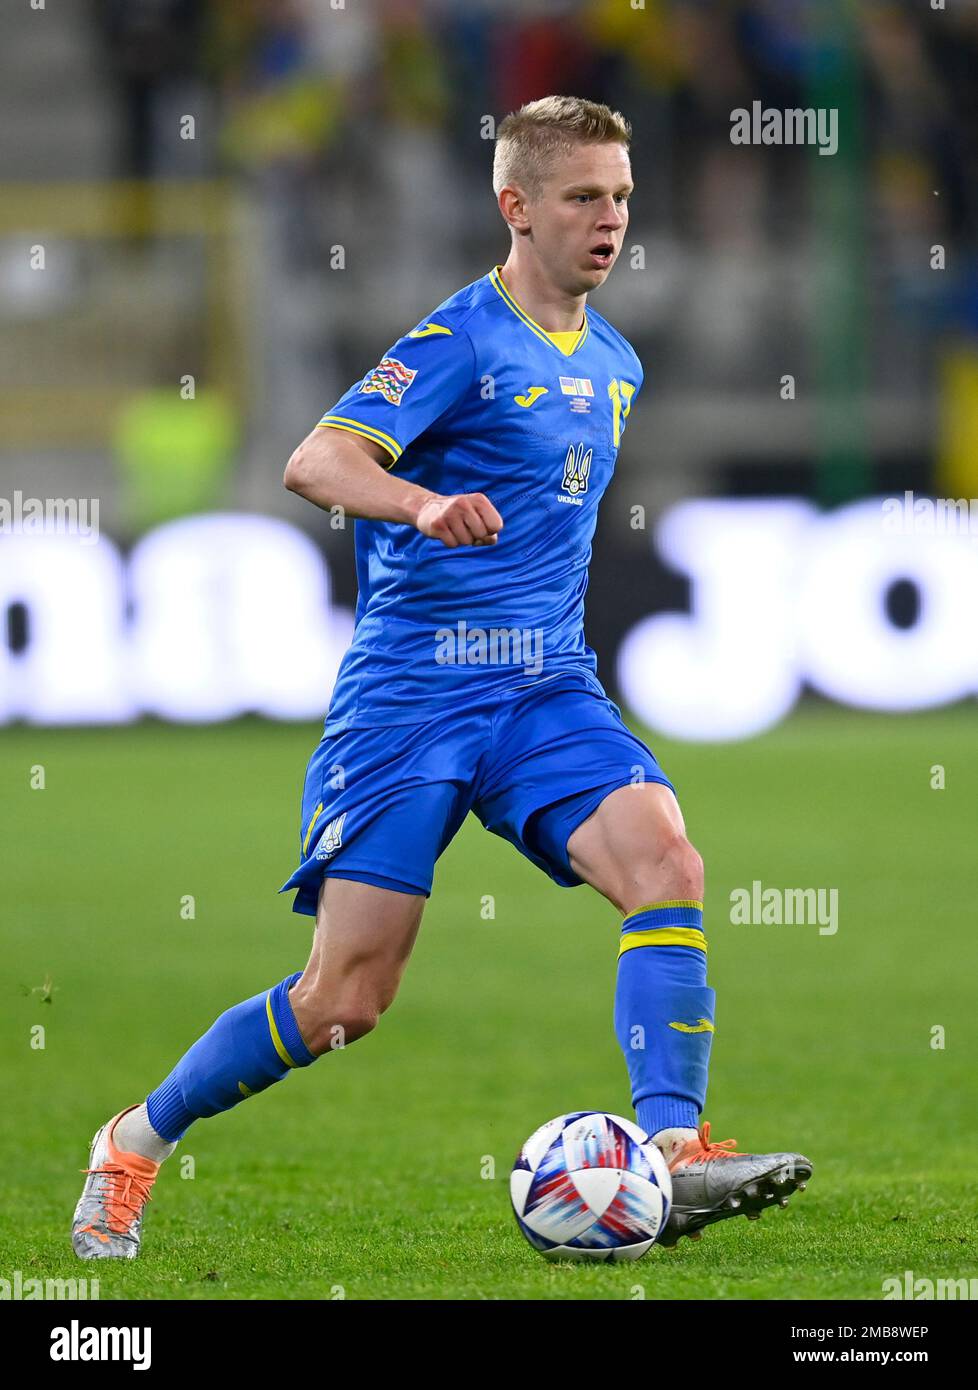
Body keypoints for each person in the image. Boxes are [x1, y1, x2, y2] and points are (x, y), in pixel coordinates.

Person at [72, 95, 811, 1260]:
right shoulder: (458, 337)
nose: (608, 219)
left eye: (620, 196)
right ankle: (134, 1140)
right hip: (411, 701)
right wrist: (419, 499)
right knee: (344, 1001)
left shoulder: (615, 360)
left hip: (544, 690)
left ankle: (675, 1150)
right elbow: (316, 459)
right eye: (581, 197)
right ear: (517, 207)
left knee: (666, 857)